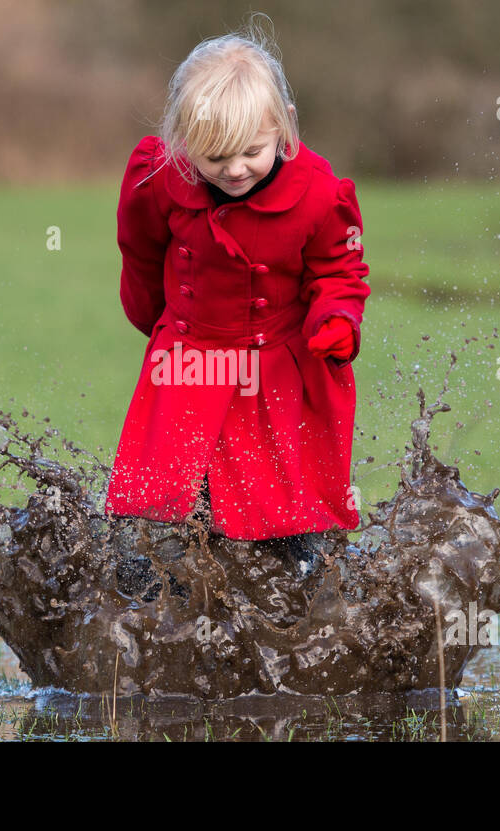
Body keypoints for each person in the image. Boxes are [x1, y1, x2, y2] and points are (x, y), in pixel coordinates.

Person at [105, 16, 370, 579]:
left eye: (250, 151)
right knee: (160, 518)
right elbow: (141, 249)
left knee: (292, 521)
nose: (233, 170)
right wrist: (157, 321)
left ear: (284, 127)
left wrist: (338, 319)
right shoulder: (160, 179)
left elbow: (341, 269)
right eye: (214, 157)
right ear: (183, 143)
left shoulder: (319, 195)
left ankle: (316, 600)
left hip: (280, 369)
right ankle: (145, 608)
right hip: (187, 364)